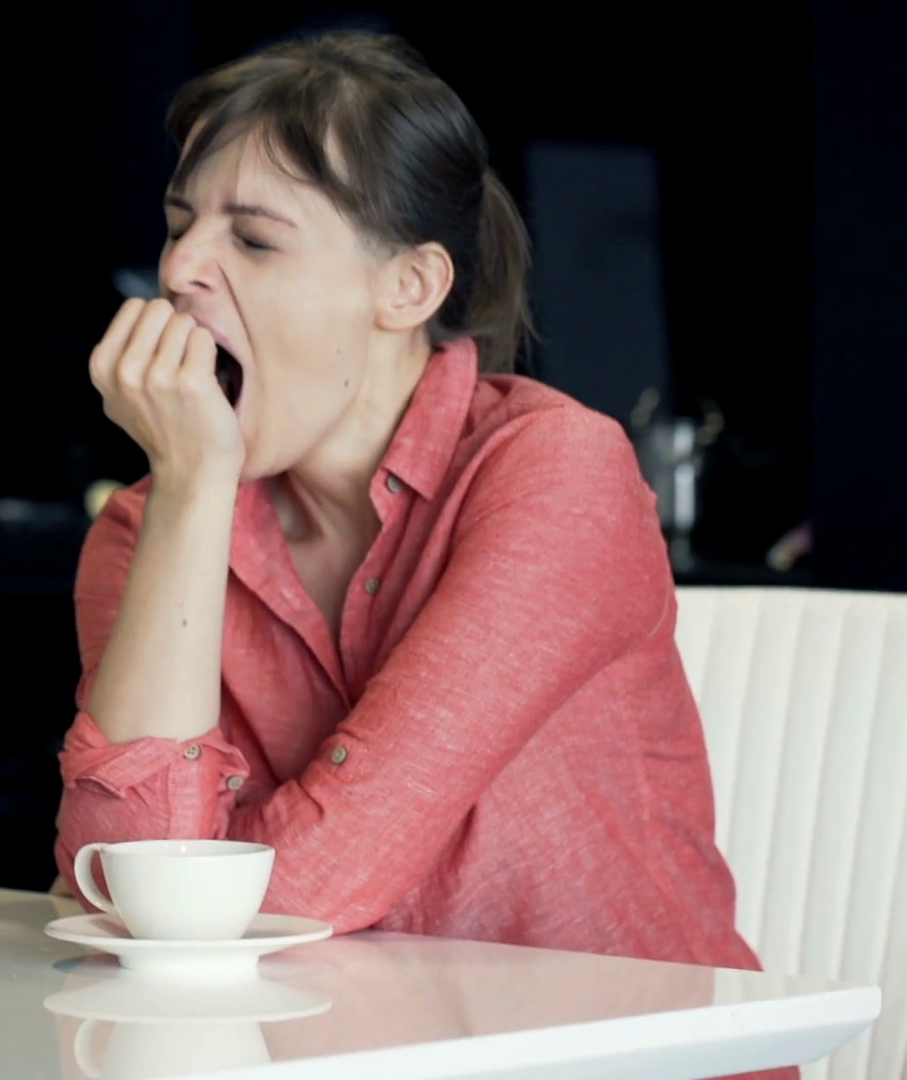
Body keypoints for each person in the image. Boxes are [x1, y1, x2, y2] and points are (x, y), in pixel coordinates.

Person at [55, 30, 766, 981]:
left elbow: (317, 873)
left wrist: (193, 888)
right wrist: (192, 493)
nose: (181, 267)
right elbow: (123, 884)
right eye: (180, 222)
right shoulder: (149, 529)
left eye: (255, 238)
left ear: (410, 286)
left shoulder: (556, 472)